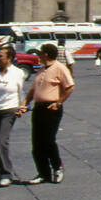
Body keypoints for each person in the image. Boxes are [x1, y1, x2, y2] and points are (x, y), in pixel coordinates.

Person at [22, 43, 75, 184]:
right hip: (38, 108)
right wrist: (24, 103)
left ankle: (57, 167)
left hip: (52, 108)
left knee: (48, 141)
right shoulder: (41, 70)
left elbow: (70, 87)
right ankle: (43, 173)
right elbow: (33, 90)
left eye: (39, 54)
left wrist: (59, 102)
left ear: (45, 54)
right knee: (37, 143)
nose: (38, 56)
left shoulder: (60, 68)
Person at [0, 46, 27, 187]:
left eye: (0, 56)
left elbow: (21, 91)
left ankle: (6, 173)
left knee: (3, 140)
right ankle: (1, 169)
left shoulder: (18, 73)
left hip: (9, 109)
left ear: (9, 58)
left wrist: (22, 106)